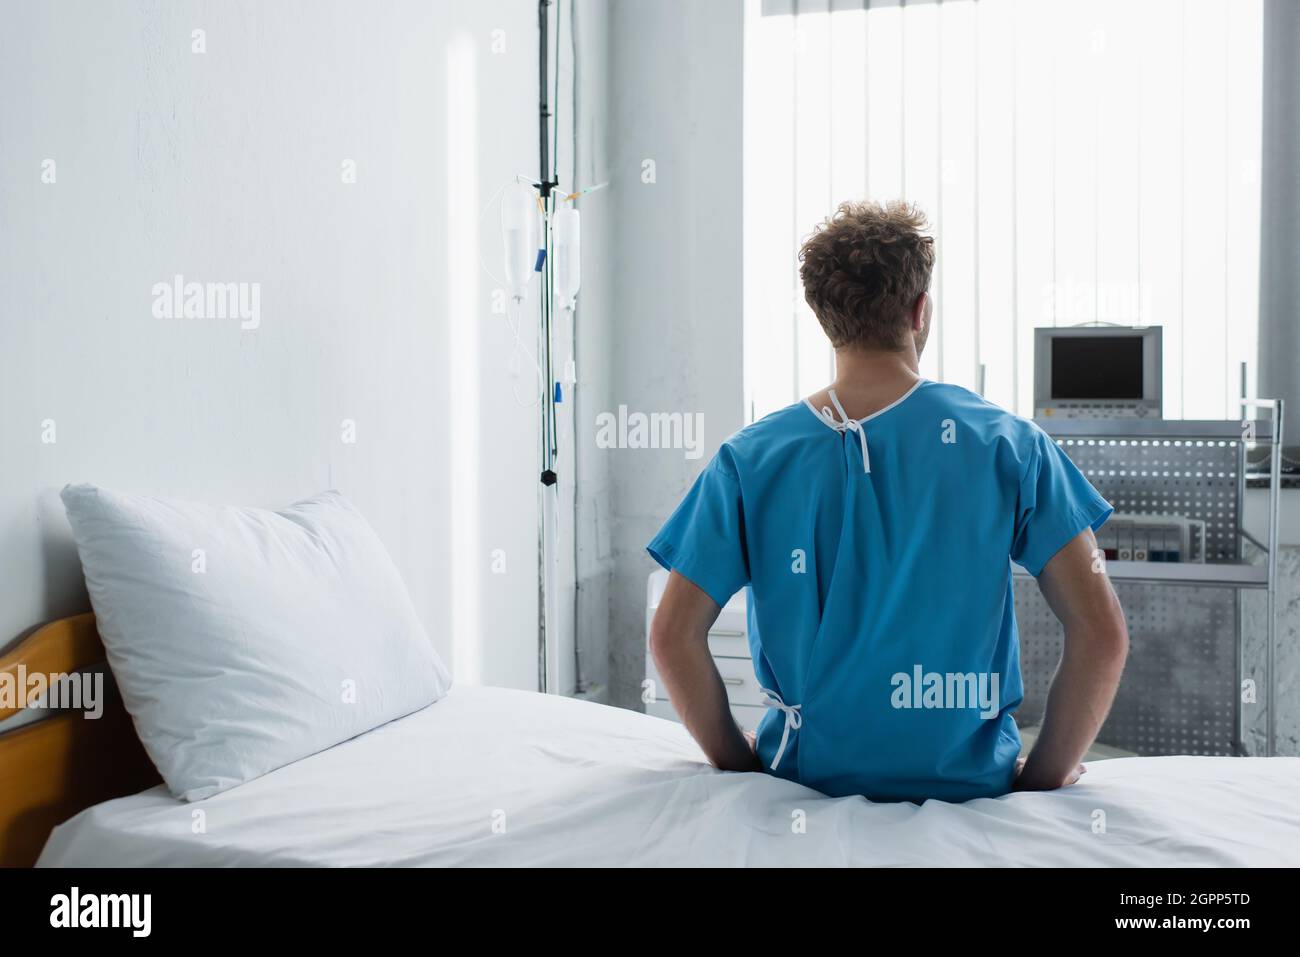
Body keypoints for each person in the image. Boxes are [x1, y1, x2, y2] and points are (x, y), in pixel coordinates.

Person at [646, 200, 1129, 802]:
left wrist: (738, 763)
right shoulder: (1008, 445)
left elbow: (671, 637)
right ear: (919, 309)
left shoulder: (750, 459)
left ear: (823, 317)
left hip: (805, 779)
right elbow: (1101, 635)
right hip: (968, 788)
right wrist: (1043, 777)